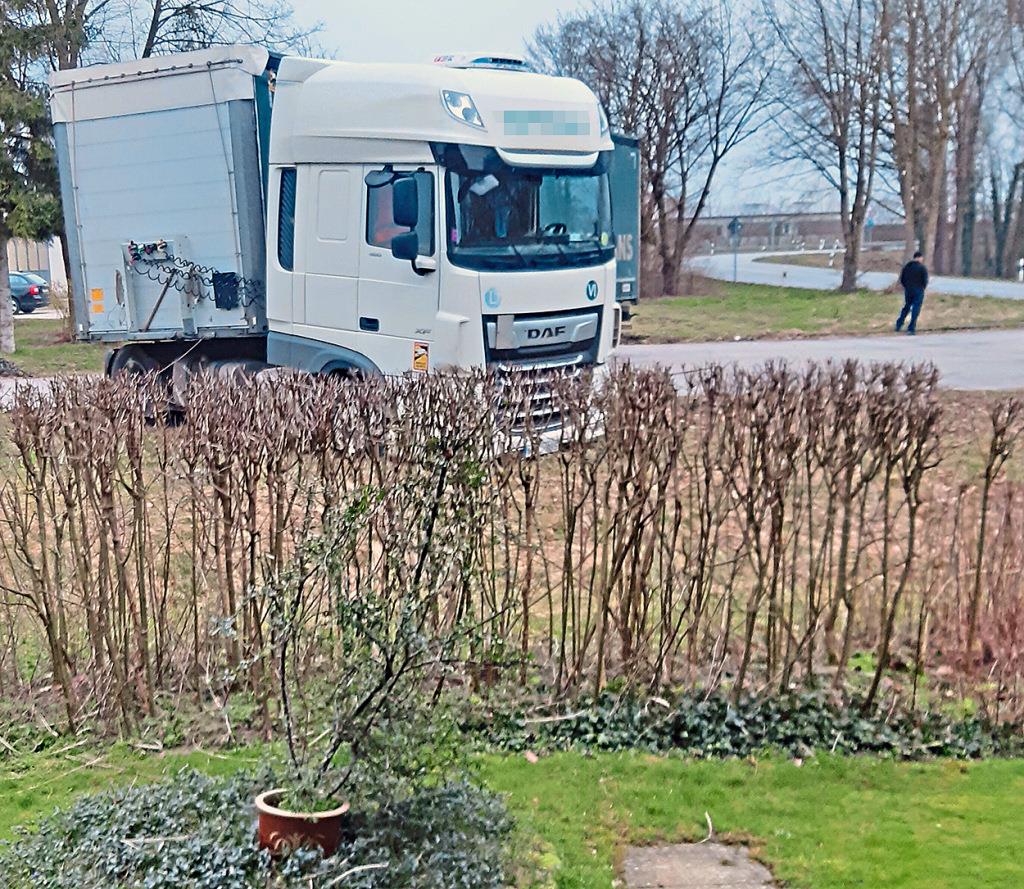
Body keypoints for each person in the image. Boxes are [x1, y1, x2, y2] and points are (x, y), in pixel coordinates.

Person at [896, 251, 929, 335]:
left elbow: (902, 279)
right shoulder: (922, 268)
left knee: (906, 307)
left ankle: (899, 324)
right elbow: (925, 280)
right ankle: (911, 328)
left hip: (908, 289)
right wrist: (922, 288)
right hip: (918, 290)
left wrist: (906, 286)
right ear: (919, 257)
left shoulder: (907, 267)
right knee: (916, 309)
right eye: (921, 258)